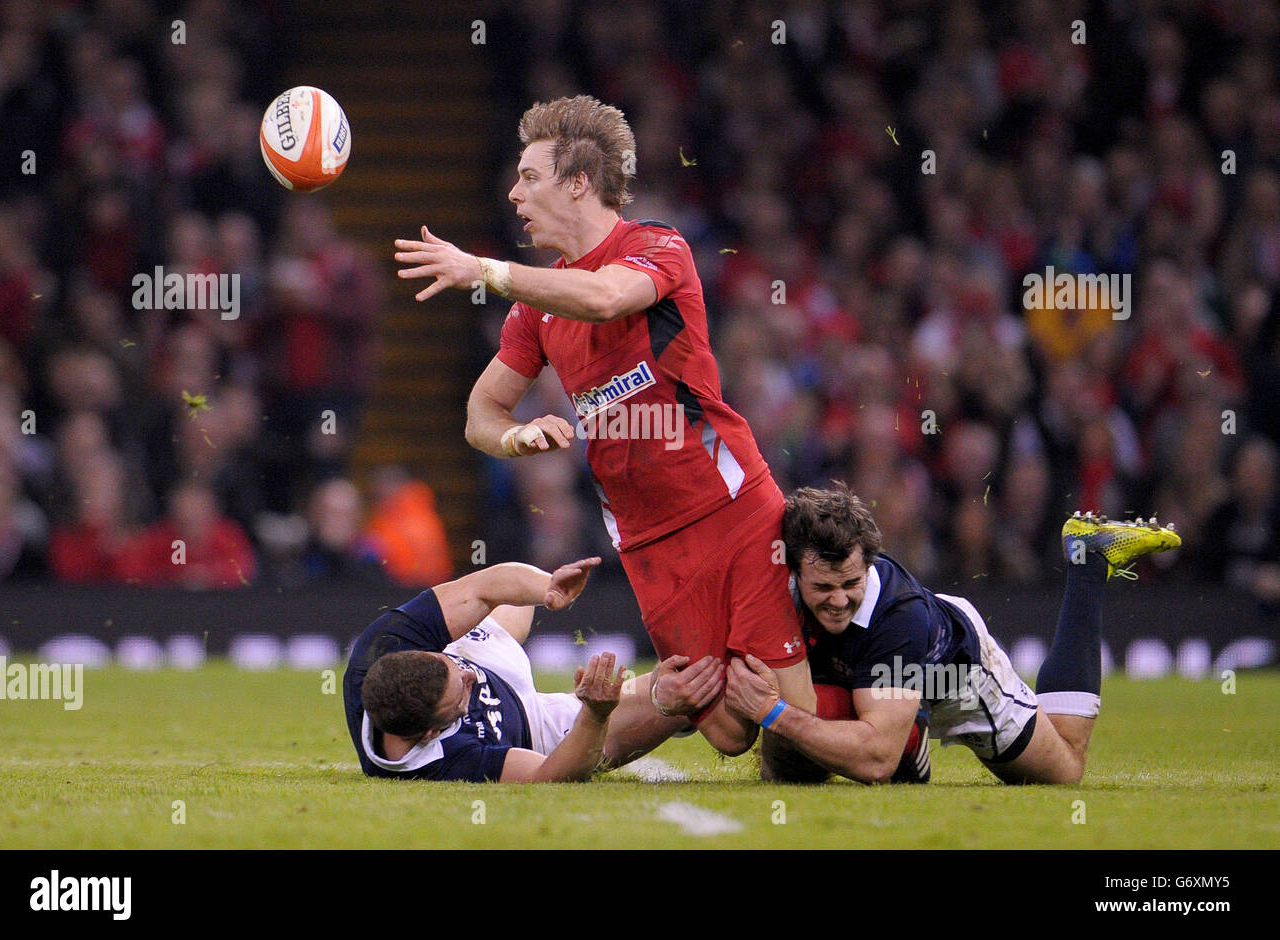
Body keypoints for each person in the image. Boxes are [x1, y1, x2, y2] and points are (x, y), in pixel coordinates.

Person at [392, 94, 815, 774]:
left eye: (529, 176)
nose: (514, 193)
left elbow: (604, 297)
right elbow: (481, 413)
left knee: (798, 740)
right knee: (731, 733)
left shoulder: (657, 247)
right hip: (647, 540)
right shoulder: (537, 308)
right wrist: (515, 439)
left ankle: (874, 690)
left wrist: (487, 272)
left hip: (730, 507)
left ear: (579, 182)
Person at [724, 485, 1182, 784]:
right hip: (868, 680)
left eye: (851, 584)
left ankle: (1088, 562)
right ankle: (910, 735)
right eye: (822, 587)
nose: (839, 600)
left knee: (1063, 770)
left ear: (868, 565)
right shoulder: (771, 588)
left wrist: (771, 711)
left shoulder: (901, 618)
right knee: (792, 760)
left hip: (956, 678)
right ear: (792, 572)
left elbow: (875, 762)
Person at [343, 556, 717, 782]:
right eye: (461, 691)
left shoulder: (380, 649)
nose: (469, 677)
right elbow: (550, 774)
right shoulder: (442, 761)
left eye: (448, 667)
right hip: (533, 728)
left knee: (504, 598)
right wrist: (595, 714)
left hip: (478, 652)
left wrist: (547, 588)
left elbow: (484, 586)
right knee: (684, 691)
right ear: (430, 732)